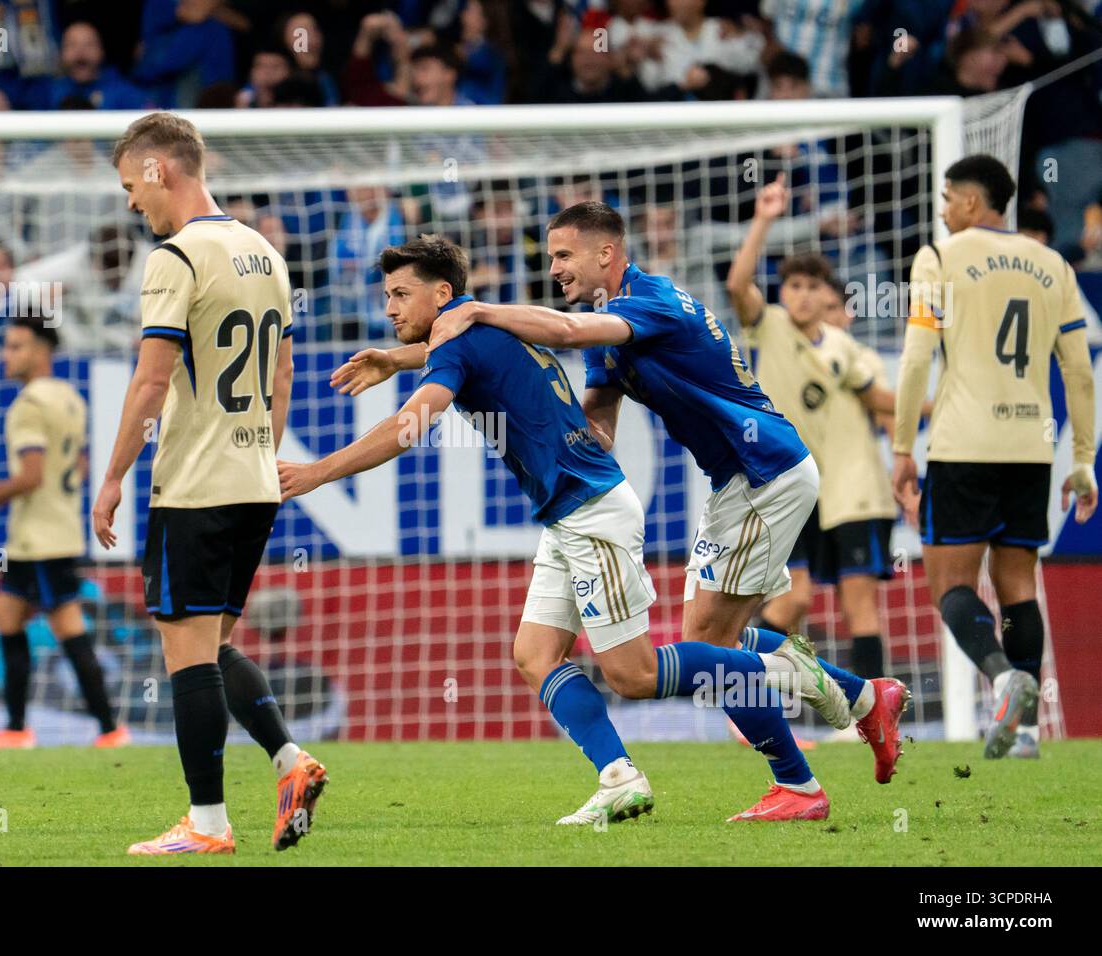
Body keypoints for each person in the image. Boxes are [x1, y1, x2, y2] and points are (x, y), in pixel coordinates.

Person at [317, 234, 856, 824]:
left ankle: (791, 673)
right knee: (535, 653)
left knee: (634, 673)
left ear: (444, 294)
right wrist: (396, 357)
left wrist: (316, 473)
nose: (389, 308)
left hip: (596, 507)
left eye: (400, 294)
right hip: (570, 508)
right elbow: (482, 353)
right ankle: (620, 777)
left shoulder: (470, 332)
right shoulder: (474, 334)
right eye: (386, 295)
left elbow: (409, 426)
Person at [413, 201, 913, 799]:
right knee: (710, 641)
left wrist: (478, 310)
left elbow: (568, 331)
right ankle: (857, 705)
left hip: (766, 470)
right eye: (550, 258)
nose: (555, 270)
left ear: (607, 253)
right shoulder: (607, 328)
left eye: (564, 256)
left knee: (707, 646)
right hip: (736, 480)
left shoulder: (653, 301)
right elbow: (599, 416)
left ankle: (818, 757)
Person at [92, 112, 327, 853]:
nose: (132, 202)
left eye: (133, 184)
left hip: (194, 486)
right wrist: (257, 451)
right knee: (214, 643)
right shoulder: (265, 252)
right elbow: (283, 373)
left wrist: (111, 479)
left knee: (185, 655)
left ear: (162, 170)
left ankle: (208, 823)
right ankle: (291, 760)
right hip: (254, 481)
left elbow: (150, 380)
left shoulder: (177, 257)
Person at [892, 154, 1097, 759]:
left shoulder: (938, 257)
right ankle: (1028, 734)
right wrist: (1081, 458)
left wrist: (903, 446)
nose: (943, 211)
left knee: (950, 584)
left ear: (973, 203)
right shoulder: (1053, 264)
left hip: (964, 443)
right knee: (1016, 584)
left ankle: (1004, 678)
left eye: (948, 199)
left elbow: (915, 358)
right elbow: (1080, 373)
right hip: (1031, 449)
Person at [728, 176, 901, 691]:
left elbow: (881, 405)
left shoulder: (845, 350)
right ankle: (750, 695)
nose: (804, 297)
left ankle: (868, 715)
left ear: (830, 295)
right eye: (795, 286)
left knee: (852, 603)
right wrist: (764, 218)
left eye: (813, 288)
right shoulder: (772, 325)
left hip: (843, 492)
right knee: (793, 599)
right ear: (784, 293)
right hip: (786, 483)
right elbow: (738, 286)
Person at [0, 317, 125, 749]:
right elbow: (78, 465)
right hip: (50, 531)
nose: (6, 355)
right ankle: (16, 728)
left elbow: (30, 475)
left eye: (15, 347)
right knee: (7, 617)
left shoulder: (28, 404)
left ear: (41, 351)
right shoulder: (69, 398)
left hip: (41, 540)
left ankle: (109, 731)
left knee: (68, 626)